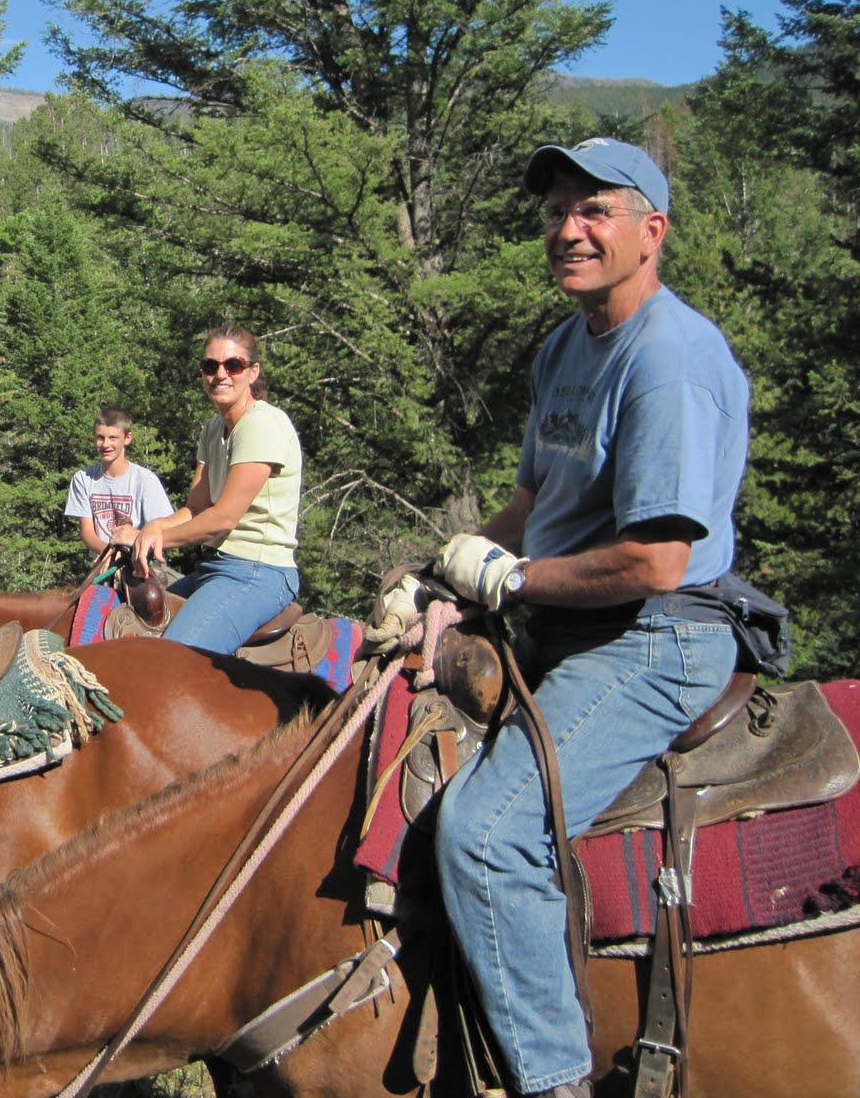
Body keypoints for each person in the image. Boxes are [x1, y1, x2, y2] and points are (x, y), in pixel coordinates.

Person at [371, 139, 749, 1098]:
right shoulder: (566, 344)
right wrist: (445, 577)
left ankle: (552, 1079)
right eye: (555, 213)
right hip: (558, 616)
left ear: (650, 232)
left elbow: (656, 560)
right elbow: (533, 500)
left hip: (655, 636)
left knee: (485, 834)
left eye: (596, 211)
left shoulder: (667, 359)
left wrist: (512, 582)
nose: (569, 229)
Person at [111, 324, 301, 654]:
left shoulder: (263, 424)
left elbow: (223, 518)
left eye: (234, 365)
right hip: (214, 568)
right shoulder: (214, 429)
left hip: (257, 573)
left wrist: (153, 540)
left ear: (252, 372)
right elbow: (195, 509)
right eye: (210, 366)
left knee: (168, 661)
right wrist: (149, 528)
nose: (220, 374)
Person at [64, 407, 174, 554]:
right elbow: (87, 532)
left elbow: (163, 529)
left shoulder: (145, 480)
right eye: (100, 437)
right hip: (102, 564)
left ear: (127, 438)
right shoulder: (83, 478)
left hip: (141, 563)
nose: (105, 444)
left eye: (113, 438)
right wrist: (110, 556)